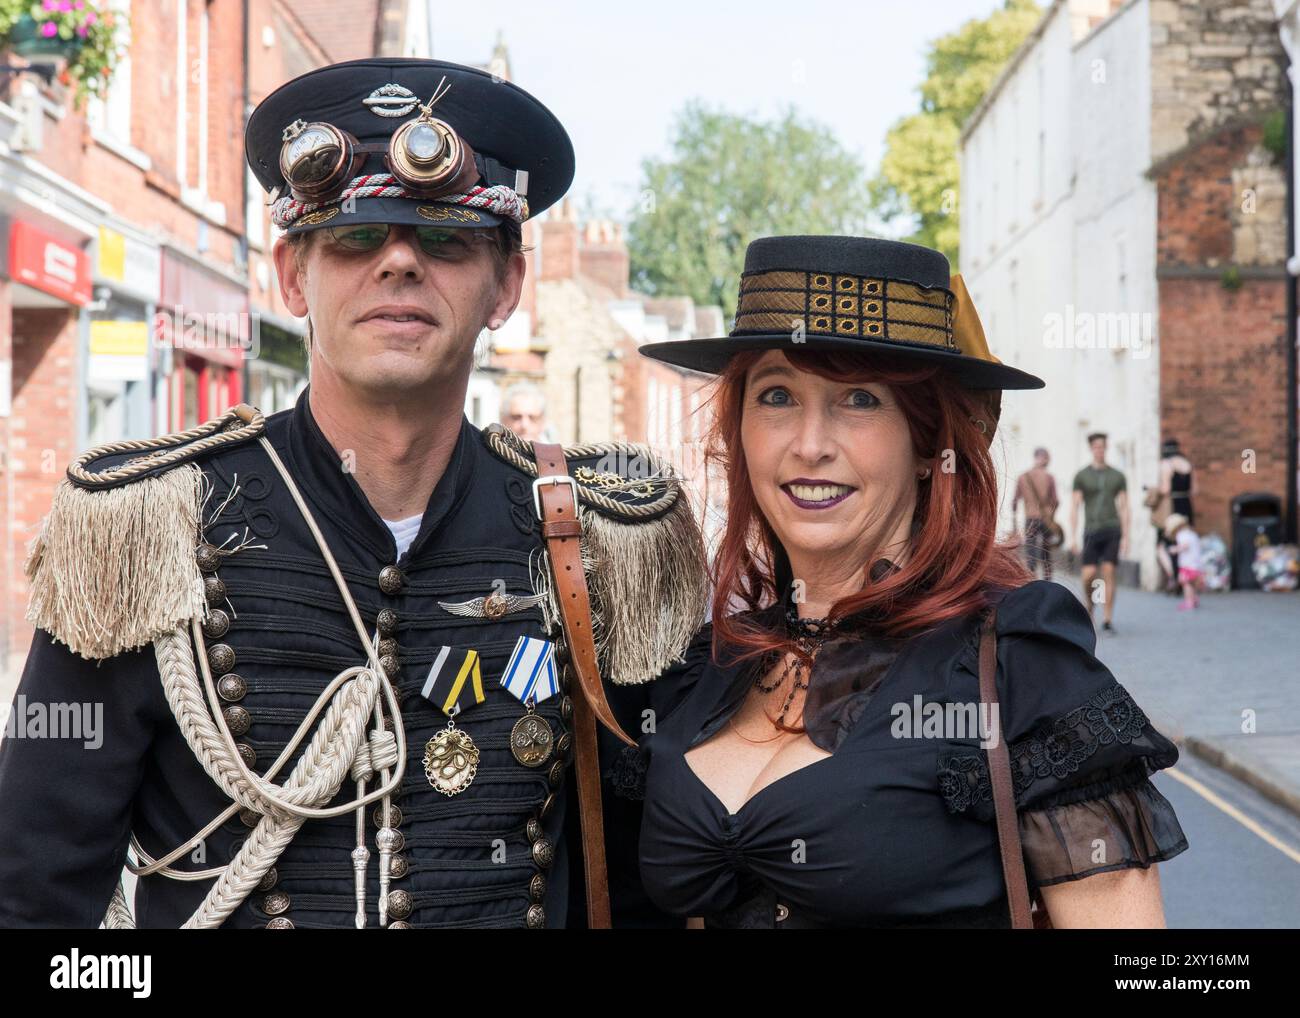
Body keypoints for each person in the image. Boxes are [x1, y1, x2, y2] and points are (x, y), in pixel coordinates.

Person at [0, 58, 708, 929]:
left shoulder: (606, 540)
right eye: (354, 239)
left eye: (446, 240)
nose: (400, 264)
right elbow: (35, 900)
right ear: (291, 277)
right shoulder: (145, 528)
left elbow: (650, 888)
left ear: (508, 288)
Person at [631, 235, 1188, 928]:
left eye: (859, 399)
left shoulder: (1018, 659)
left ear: (928, 444)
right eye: (776, 395)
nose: (809, 443)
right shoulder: (705, 667)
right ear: (740, 427)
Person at [1071, 433, 1129, 634]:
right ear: (1091, 449)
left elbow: (1124, 506)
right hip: (1091, 531)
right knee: (1088, 575)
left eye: (1102, 447)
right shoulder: (1082, 476)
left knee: (1109, 572)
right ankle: (1090, 604)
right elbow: (1075, 506)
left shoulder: (1117, 476)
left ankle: (1107, 618)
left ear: (1106, 448)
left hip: (1112, 529)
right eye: (1096, 447)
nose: (1099, 450)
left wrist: (1126, 536)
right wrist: (1072, 536)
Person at [1152, 438, 1198, 593]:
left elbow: (1165, 489)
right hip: (1186, 506)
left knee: (1163, 545)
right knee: (1184, 542)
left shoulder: (1166, 464)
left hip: (1173, 506)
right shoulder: (1188, 464)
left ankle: (1174, 577)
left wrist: (1153, 490)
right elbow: (1194, 490)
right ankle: (1186, 578)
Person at [1012, 447, 1059, 580]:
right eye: (1048, 458)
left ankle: (1032, 582)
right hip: (1046, 520)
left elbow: (1015, 502)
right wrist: (1052, 516)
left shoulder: (1023, 477)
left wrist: (1014, 523)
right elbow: (1056, 501)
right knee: (1046, 553)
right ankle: (1048, 582)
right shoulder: (1049, 478)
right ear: (1043, 458)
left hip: (1030, 518)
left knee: (1030, 554)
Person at [1163, 513, 1203, 611]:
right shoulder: (1192, 534)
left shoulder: (1182, 535)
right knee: (1192, 584)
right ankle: (1194, 599)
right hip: (1196, 564)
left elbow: (1185, 546)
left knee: (1186, 584)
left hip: (1187, 565)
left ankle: (1189, 601)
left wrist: (1175, 549)